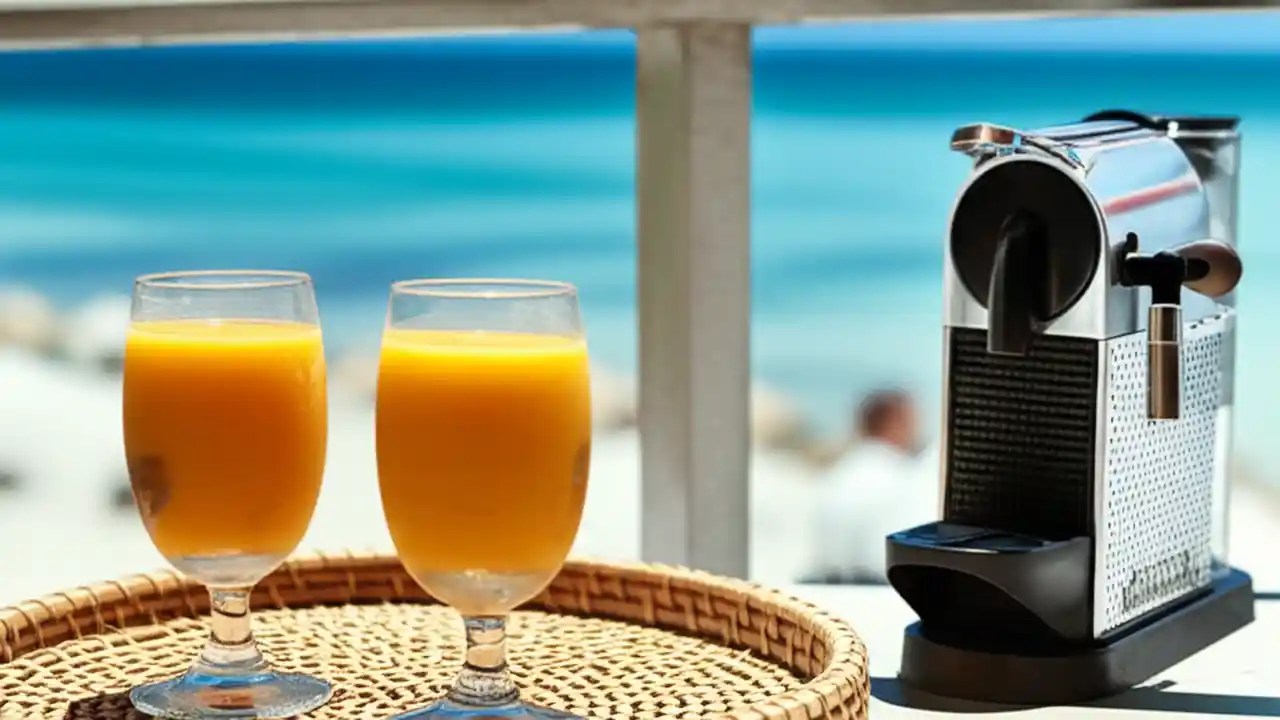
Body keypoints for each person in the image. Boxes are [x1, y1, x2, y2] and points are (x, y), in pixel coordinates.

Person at [805, 390, 938, 584]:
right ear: (896, 423)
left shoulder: (839, 473)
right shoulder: (900, 475)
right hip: (878, 587)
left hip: (831, 585)